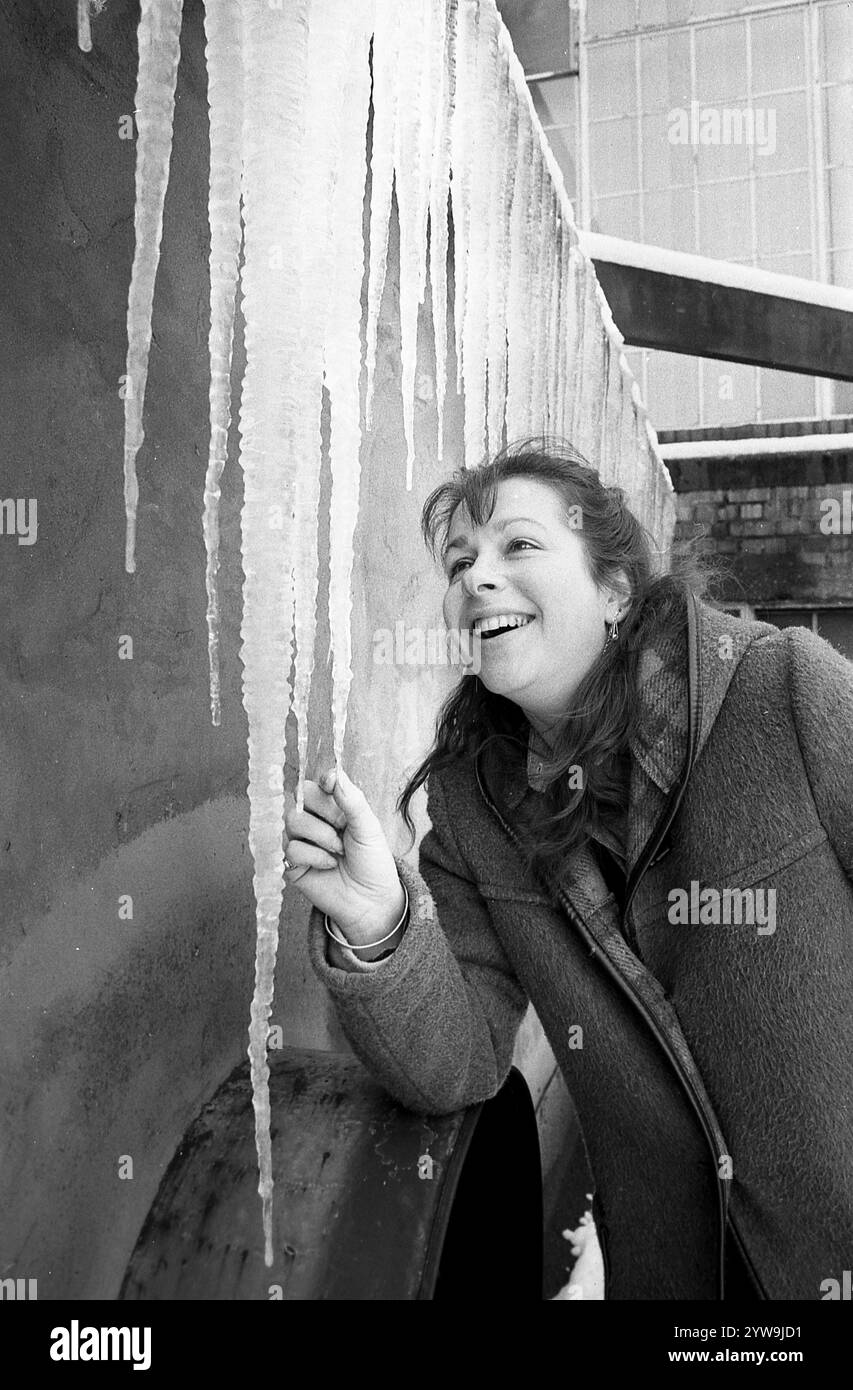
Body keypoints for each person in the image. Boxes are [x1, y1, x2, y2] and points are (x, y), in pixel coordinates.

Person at [283, 438, 853, 1300]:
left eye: (519, 546)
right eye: (461, 561)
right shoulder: (474, 807)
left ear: (614, 591)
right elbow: (459, 1064)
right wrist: (379, 923)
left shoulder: (785, 692)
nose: (478, 578)